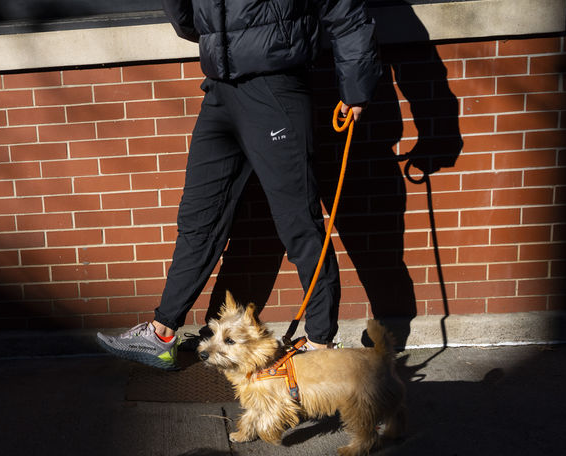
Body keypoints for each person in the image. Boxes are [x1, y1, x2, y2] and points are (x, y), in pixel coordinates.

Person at [97, 0, 382, 370]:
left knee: (299, 223)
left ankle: (320, 343)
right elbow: (188, 20)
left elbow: (345, 9)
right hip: (219, 91)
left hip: (274, 86)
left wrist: (356, 86)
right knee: (199, 218)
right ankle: (162, 332)